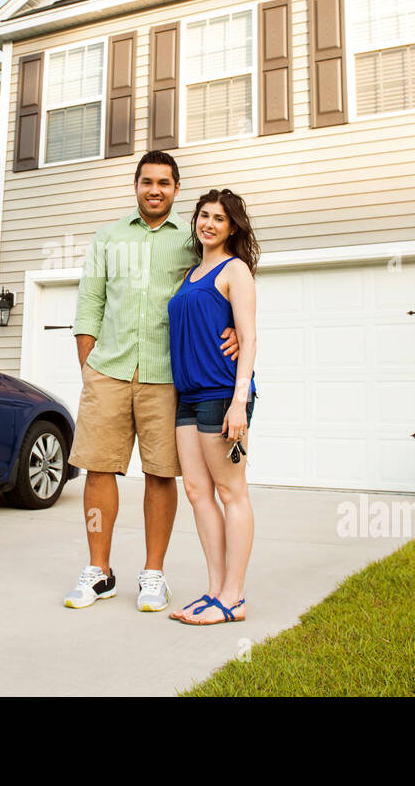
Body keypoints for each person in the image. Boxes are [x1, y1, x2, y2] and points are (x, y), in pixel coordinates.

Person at [63, 151, 238, 612]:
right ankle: (99, 572)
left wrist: (238, 325)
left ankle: (153, 574)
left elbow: (227, 277)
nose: (154, 189)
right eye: (146, 182)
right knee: (99, 470)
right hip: (110, 371)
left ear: (176, 189)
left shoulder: (192, 238)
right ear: (135, 185)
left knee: (161, 473)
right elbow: (89, 306)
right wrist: (90, 367)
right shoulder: (107, 238)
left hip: (167, 375)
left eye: (164, 182)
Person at [167, 189, 258, 625]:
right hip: (187, 395)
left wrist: (240, 402)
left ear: (232, 226)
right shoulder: (189, 273)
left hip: (223, 395)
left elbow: (249, 336)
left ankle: (234, 598)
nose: (209, 223)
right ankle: (215, 590)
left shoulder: (234, 270)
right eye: (204, 215)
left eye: (219, 218)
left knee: (230, 491)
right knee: (197, 492)